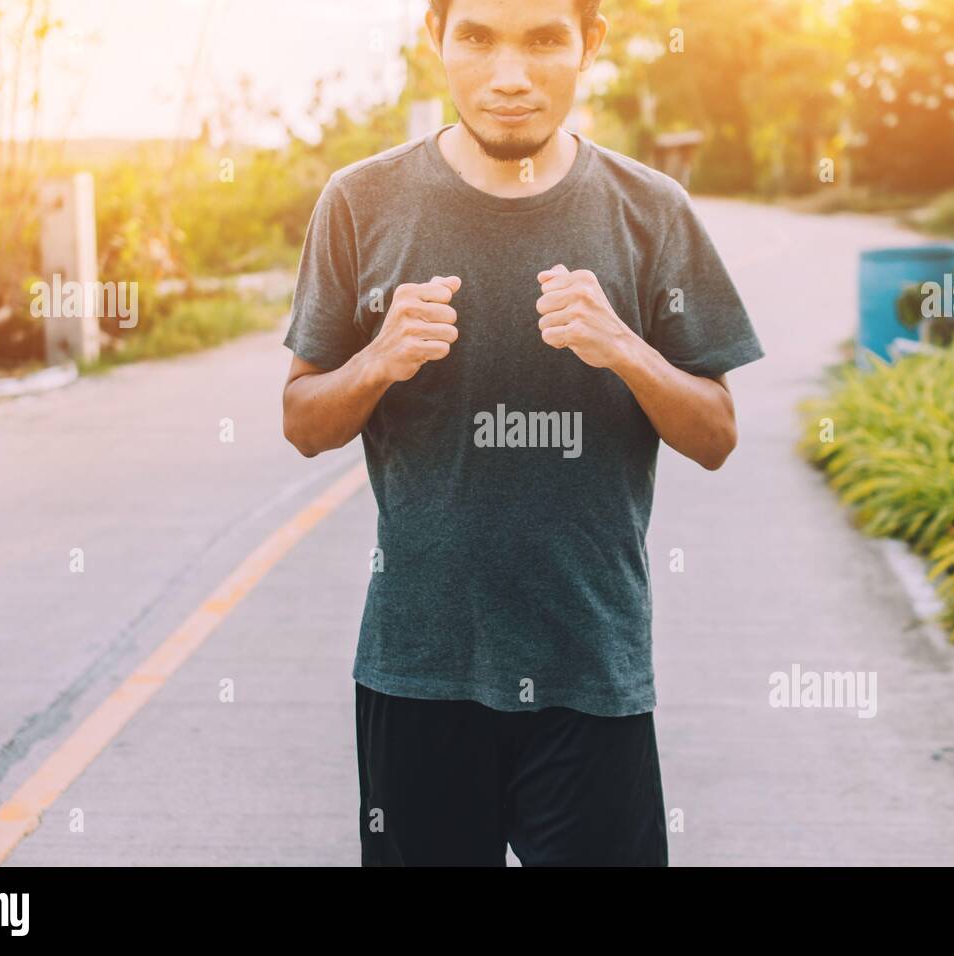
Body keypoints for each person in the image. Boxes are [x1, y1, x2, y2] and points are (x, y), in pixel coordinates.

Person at [281, 0, 765, 866]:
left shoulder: (651, 210)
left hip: (592, 672)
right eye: (477, 38)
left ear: (590, 46)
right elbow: (303, 422)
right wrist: (380, 359)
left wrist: (624, 348)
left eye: (545, 39)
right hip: (421, 667)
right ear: (437, 40)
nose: (510, 74)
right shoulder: (359, 202)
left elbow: (717, 433)